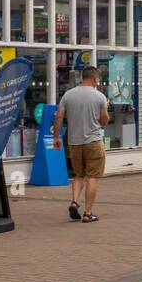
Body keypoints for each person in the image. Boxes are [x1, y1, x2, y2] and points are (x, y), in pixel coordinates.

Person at [53, 66, 110, 223]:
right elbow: (104, 121)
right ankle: (87, 213)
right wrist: (105, 107)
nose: (98, 81)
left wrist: (56, 137)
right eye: (98, 79)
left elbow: (59, 117)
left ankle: (74, 201)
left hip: (74, 143)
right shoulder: (100, 97)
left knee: (79, 175)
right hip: (93, 142)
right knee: (92, 176)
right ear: (94, 79)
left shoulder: (68, 95)